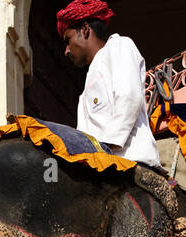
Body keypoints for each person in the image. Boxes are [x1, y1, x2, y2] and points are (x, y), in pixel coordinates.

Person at [57, 1, 161, 169]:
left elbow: (129, 97)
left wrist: (104, 149)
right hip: (101, 167)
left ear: (85, 29)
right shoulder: (88, 84)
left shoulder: (119, 45)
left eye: (68, 40)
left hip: (130, 160)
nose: (67, 51)